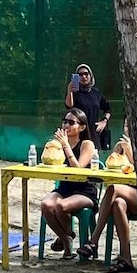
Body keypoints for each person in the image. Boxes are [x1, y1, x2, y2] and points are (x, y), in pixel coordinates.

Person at [38, 107, 99, 256]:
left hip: (84, 190)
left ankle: (65, 241)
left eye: (71, 122)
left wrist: (65, 145)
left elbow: (78, 169)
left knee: (60, 206)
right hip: (65, 188)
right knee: (46, 204)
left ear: (82, 127)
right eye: (64, 121)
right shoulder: (58, 144)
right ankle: (66, 238)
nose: (66, 125)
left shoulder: (87, 144)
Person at [79, 124, 137, 271]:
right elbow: (111, 171)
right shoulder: (120, 146)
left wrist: (131, 155)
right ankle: (126, 259)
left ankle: (94, 240)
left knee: (113, 189)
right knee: (118, 203)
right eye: (126, 124)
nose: (128, 128)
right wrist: (119, 152)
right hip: (124, 194)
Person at [66, 64, 109, 151]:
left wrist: (104, 121)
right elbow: (69, 106)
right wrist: (69, 91)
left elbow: (108, 109)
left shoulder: (96, 93)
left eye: (86, 74)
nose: (83, 76)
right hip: (78, 135)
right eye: (80, 74)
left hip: (94, 135)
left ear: (90, 75)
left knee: (94, 158)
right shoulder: (74, 92)